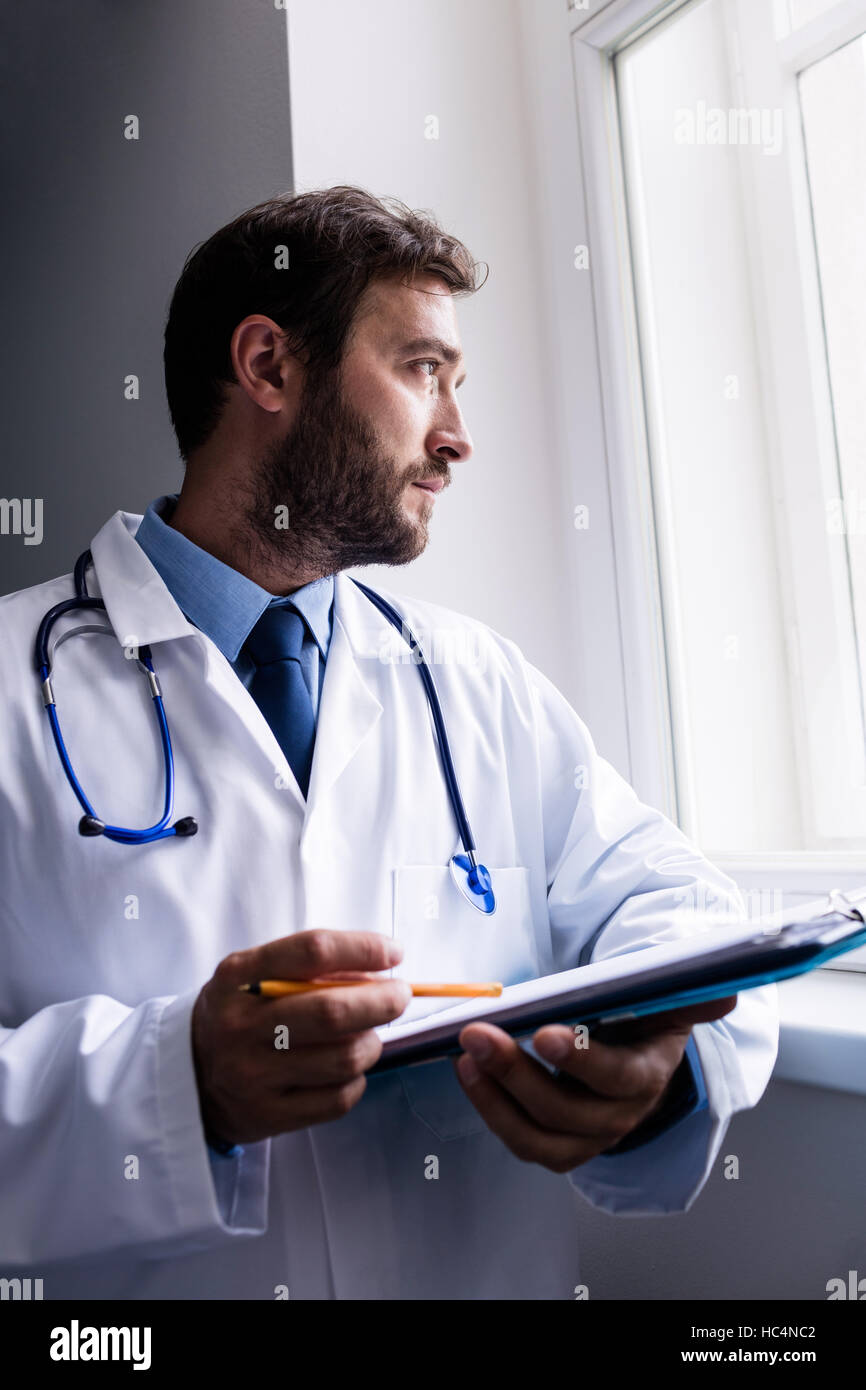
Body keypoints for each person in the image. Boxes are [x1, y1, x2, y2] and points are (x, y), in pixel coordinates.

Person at [0, 187, 778, 1300]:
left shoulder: (478, 680)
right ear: (269, 367)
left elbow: (679, 911)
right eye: (422, 370)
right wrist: (177, 1086)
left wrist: (657, 1074)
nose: (458, 437)